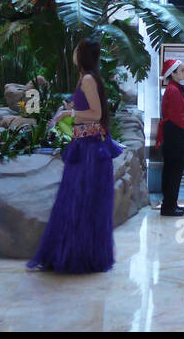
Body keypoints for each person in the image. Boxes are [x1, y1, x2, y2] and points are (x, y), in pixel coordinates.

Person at [28, 40, 124, 274]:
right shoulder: (87, 78)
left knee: (80, 202)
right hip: (85, 146)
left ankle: (79, 257)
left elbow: (96, 114)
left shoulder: (89, 79)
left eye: (76, 50)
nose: (73, 53)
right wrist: (72, 107)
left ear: (83, 56)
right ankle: (78, 255)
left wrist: (68, 113)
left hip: (91, 150)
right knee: (78, 203)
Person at [158, 57, 184, 217]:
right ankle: (170, 206)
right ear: (173, 74)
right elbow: (176, 117)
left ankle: (169, 204)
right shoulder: (174, 91)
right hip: (174, 132)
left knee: (170, 168)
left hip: (171, 131)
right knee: (175, 169)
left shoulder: (172, 88)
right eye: (182, 70)